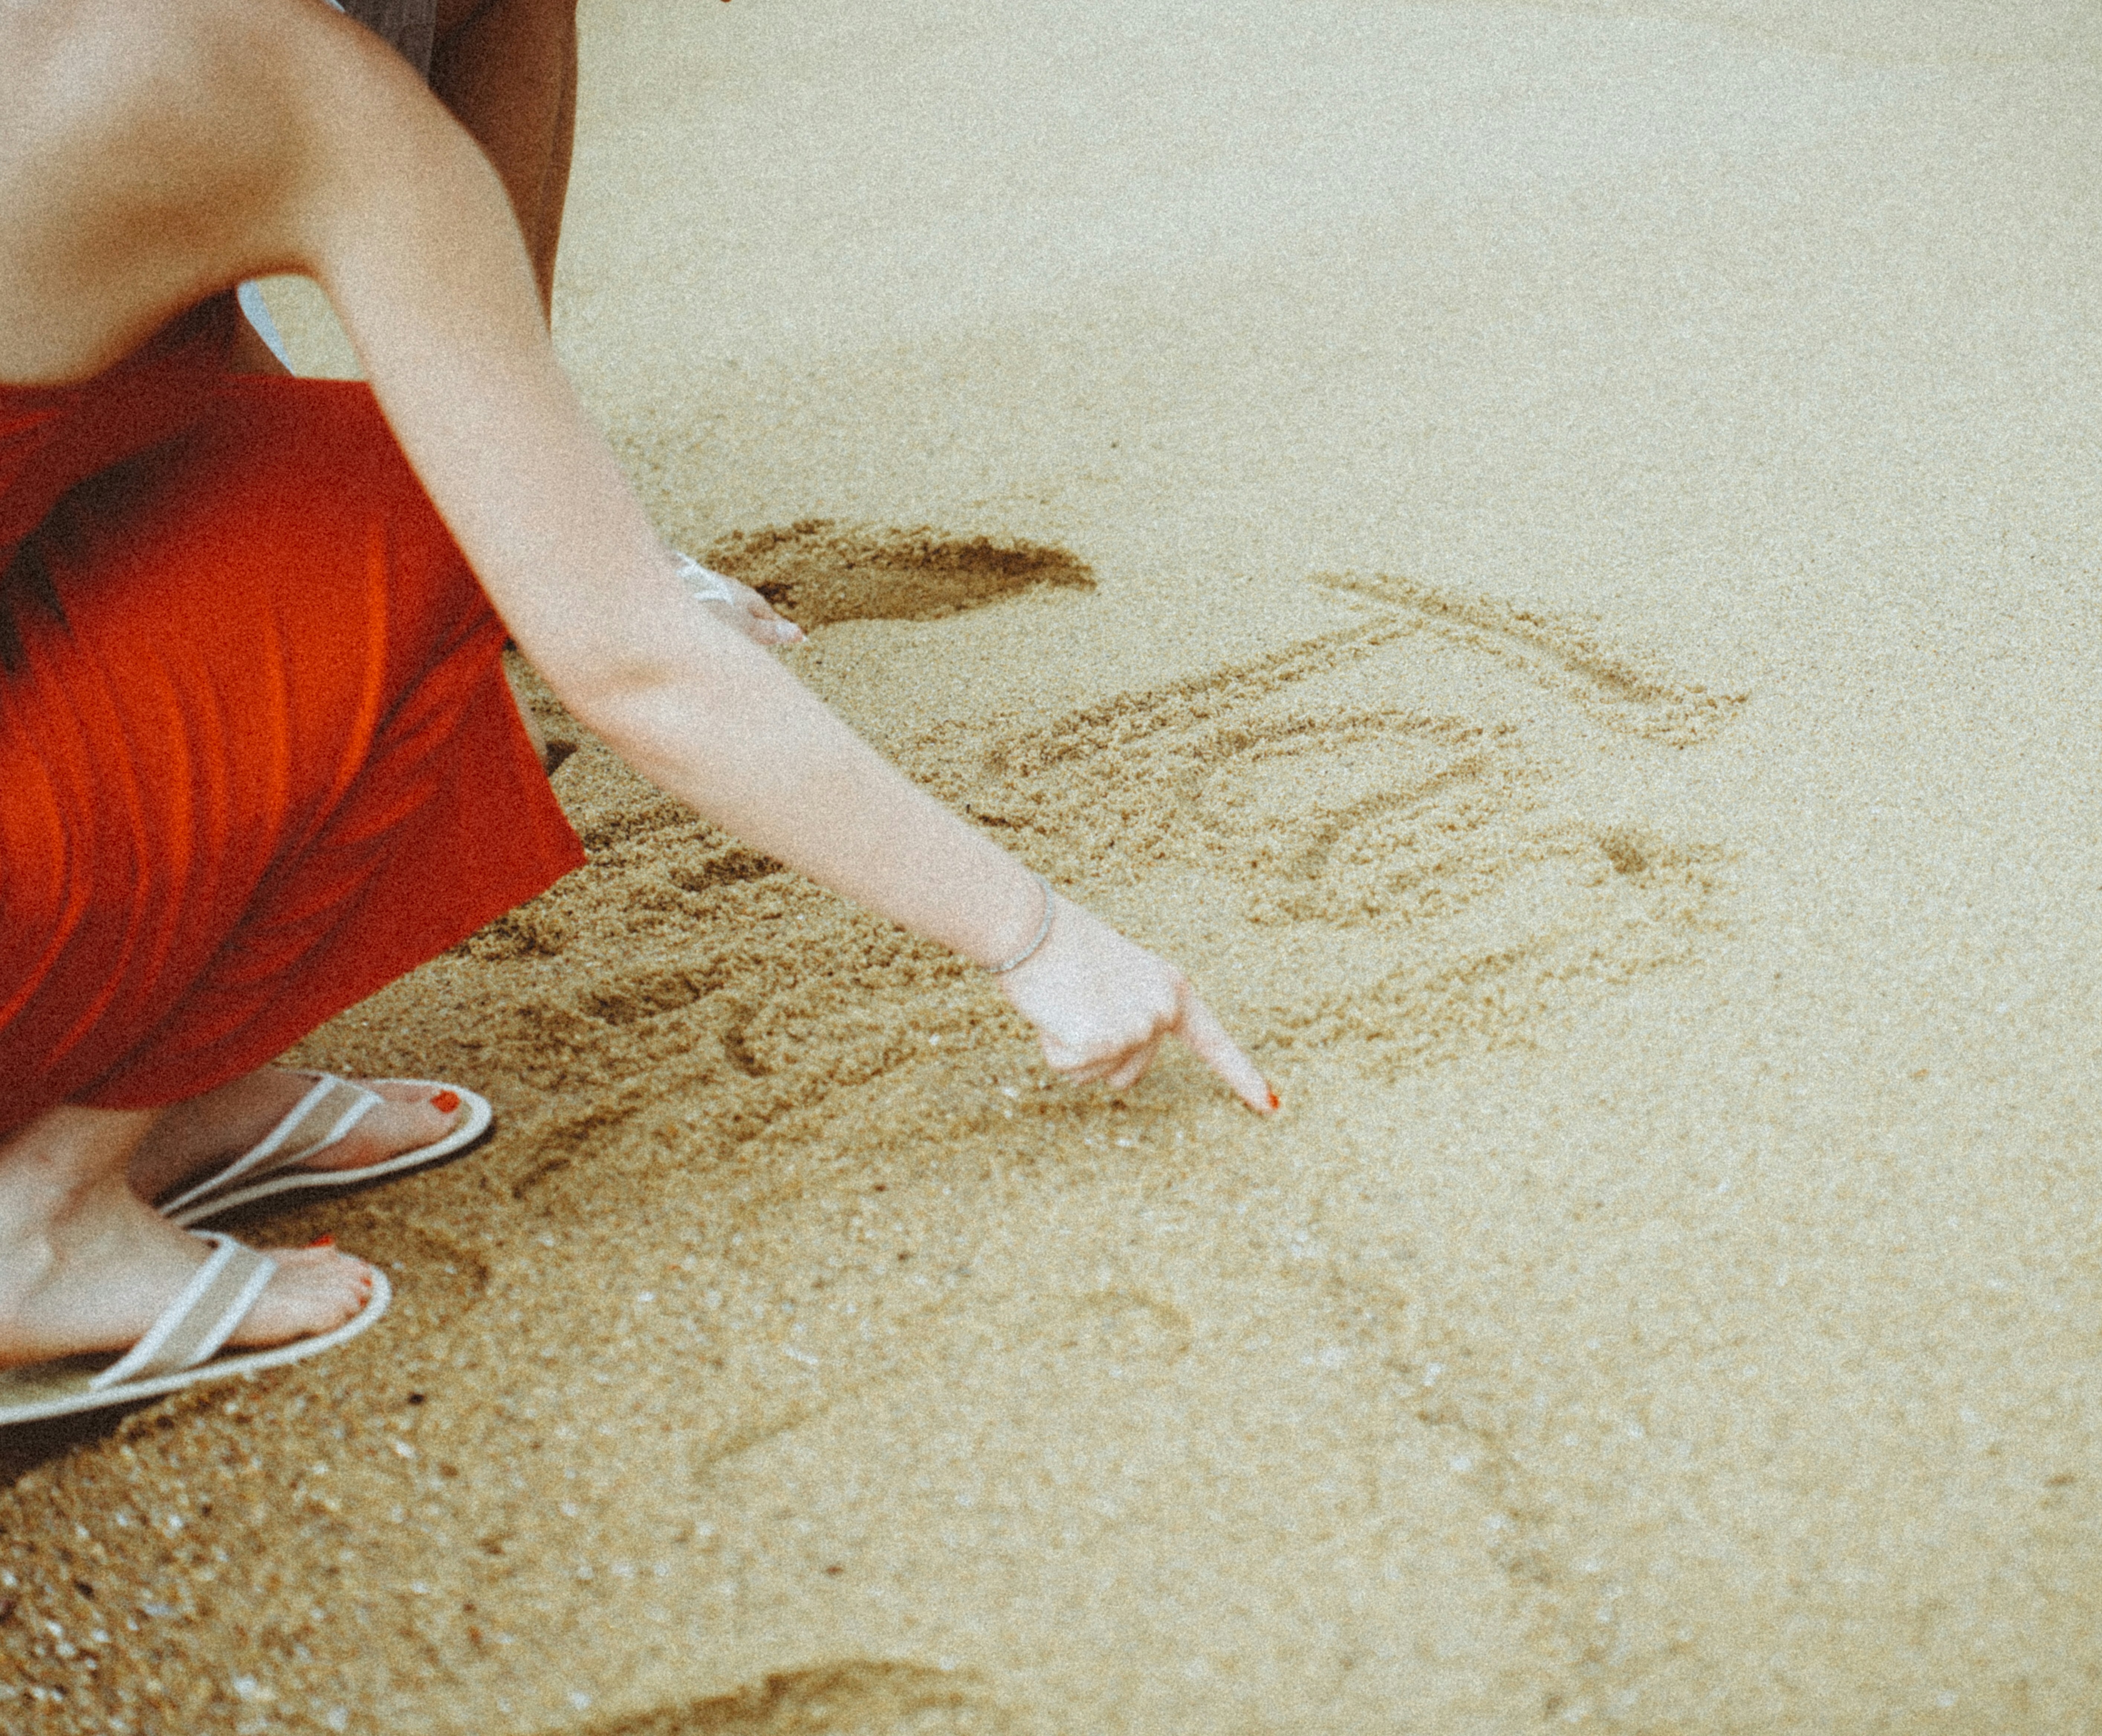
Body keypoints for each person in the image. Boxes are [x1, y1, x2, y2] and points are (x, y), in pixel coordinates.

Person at [0, 0, 1275, 1423]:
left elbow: (325, 418)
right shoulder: (280, 81)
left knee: (403, 507)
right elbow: (605, 635)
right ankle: (35, 1228)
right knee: (443, 529)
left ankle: (152, 1089)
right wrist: (1042, 937)